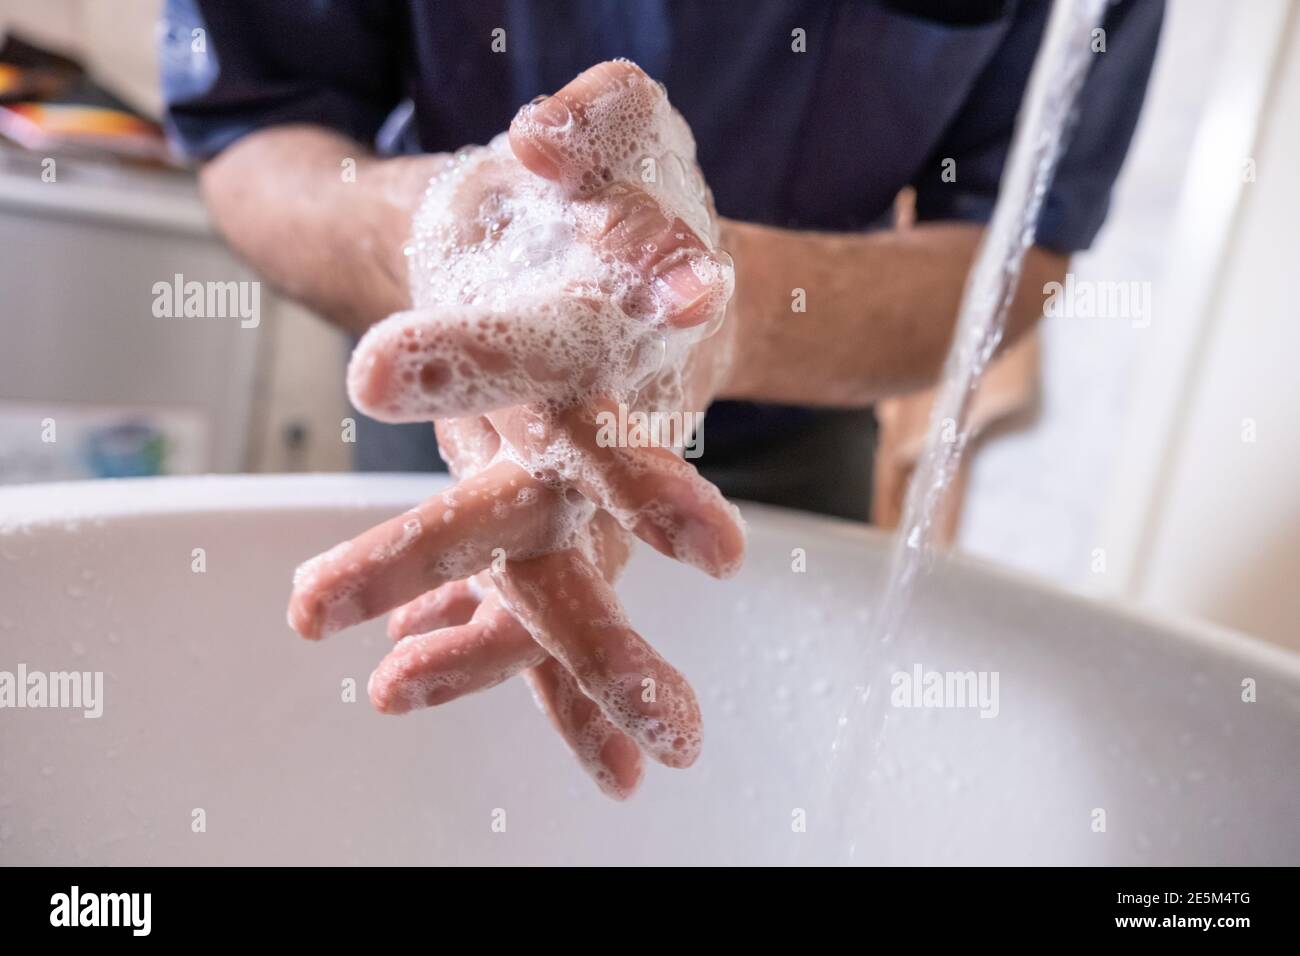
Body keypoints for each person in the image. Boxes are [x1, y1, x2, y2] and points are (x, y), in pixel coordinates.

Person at [161, 0, 1164, 797]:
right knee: (413, 801)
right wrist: (455, 248)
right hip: (444, 400)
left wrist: (728, 319)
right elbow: (258, 127)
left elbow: (1017, 244)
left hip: (796, 433)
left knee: (749, 802)